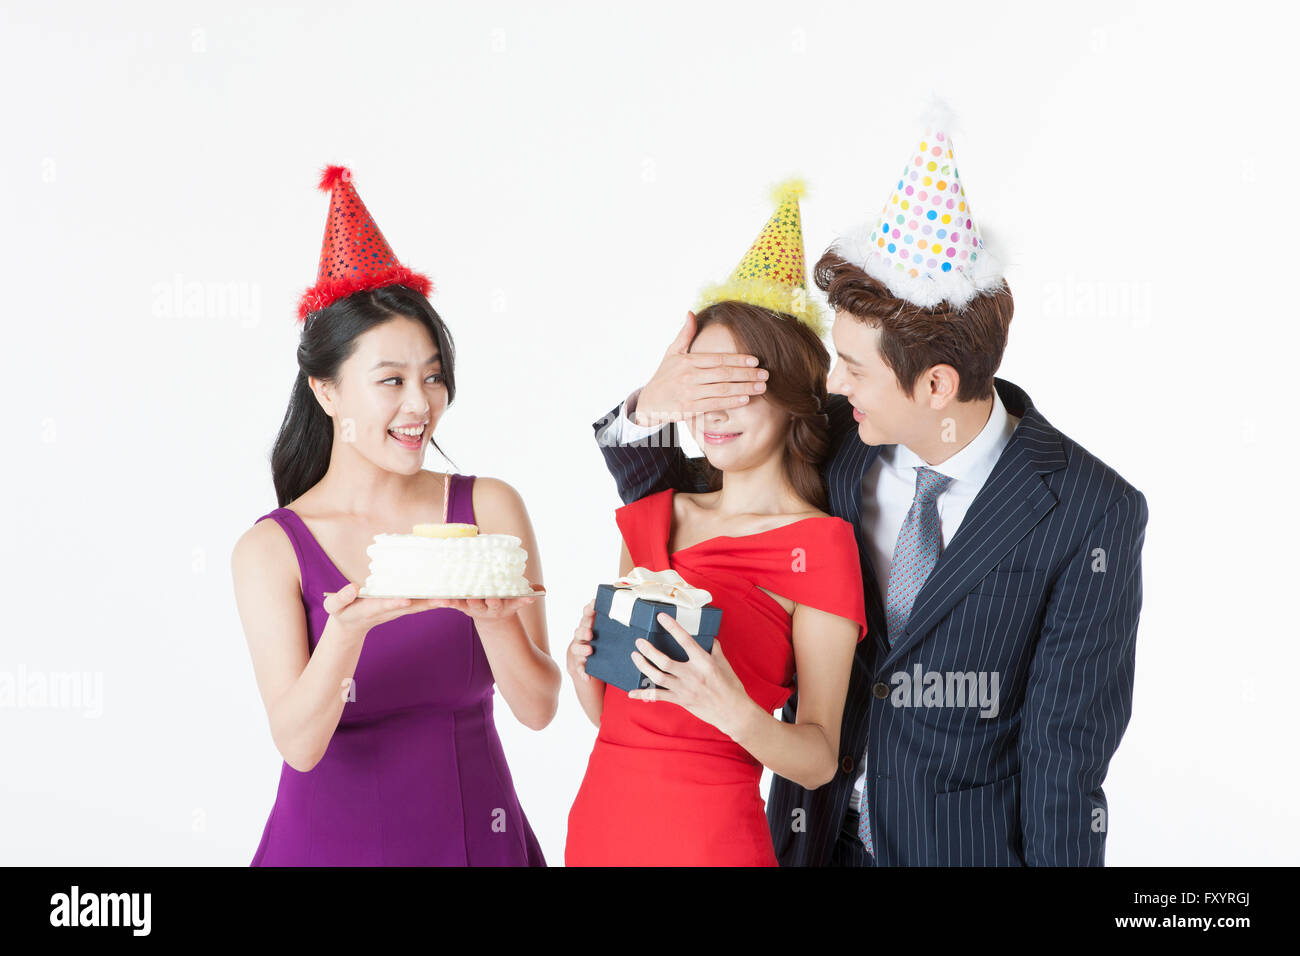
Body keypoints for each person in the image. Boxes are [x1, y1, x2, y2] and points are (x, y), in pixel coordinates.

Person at [590, 120, 1149, 866]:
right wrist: (652, 403)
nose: (830, 382)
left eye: (853, 366)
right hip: (812, 839)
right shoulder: (836, 437)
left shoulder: (1090, 511)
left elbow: (1066, 757)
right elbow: (680, 496)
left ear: (937, 385)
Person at [231, 165, 558, 865]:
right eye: (391, 382)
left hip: (477, 842)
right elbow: (297, 742)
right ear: (326, 392)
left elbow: (538, 709)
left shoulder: (488, 506)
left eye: (433, 375)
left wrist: (498, 622)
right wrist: (344, 634)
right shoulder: (273, 550)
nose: (421, 405)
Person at [565, 181, 868, 866]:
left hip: (710, 842)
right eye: (699, 387)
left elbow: (819, 758)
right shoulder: (653, 516)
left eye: (736, 386)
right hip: (598, 829)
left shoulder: (820, 547)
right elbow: (627, 719)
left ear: (793, 393)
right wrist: (585, 673)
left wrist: (731, 708)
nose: (714, 410)